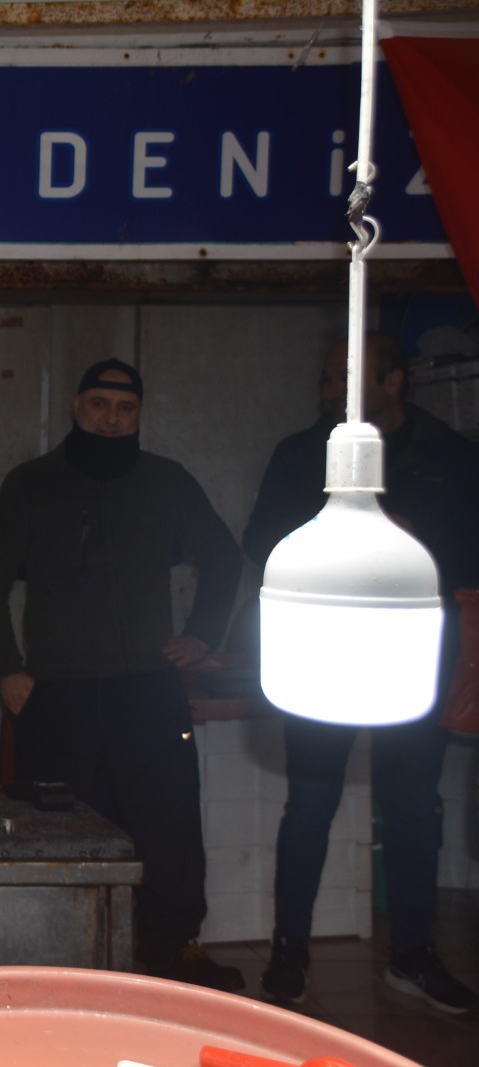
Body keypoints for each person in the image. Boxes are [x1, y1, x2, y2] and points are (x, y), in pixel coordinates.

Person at [0, 358, 245, 991]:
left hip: (148, 690)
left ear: (139, 414)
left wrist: (202, 633)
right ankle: (61, 961)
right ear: (76, 406)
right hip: (56, 694)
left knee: (169, 826)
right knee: (58, 829)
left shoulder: (167, 482)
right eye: (99, 405)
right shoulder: (30, 484)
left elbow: (224, 560)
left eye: (125, 408)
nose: (111, 419)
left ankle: (175, 950)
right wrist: (7, 670)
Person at [243, 332, 479, 1015]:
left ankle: (413, 954)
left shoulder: (452, 455)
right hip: (323, 655)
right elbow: (261, 541)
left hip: (410, 658)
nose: (328, 384)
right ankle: (289, 952)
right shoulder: (300, 454)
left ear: (395, 380)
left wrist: (409, 538)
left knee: (410, 807)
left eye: (344, 373)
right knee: (310, 803)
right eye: (324, 373)